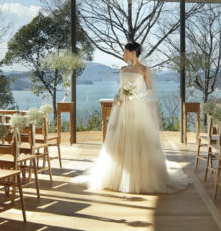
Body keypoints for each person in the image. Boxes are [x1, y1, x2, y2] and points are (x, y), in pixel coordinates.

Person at [74, 42, 190, 194]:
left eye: (125, 52)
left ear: (133, 52)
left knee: (139, 137)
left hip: (137, 106)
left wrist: (137, 95)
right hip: (122, 107)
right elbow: (121, 88)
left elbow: (149, 91)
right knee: (120, 137)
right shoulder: (123, 69)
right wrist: (117, 97)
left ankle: (140, 177)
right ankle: (118, 175)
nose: (124, 55)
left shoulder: (144, 70)